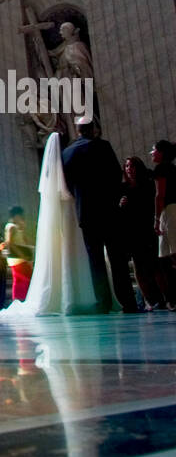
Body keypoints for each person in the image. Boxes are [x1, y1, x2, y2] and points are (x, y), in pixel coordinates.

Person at [3, 131, 96, 316]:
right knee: (73, 249)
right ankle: (80, 294)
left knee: (56, 251)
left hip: (54, 216)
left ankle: (59, 294)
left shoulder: (48, 173)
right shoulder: (70, 159)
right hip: (70, 211)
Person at [62, 114, 138, 313]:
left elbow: (68, 184)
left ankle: (103, 302)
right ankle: (127, 302)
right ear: (93, 129)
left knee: (95, 261)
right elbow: (115, 174)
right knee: (117, 259)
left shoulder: (67, 153)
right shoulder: (102, 146)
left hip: (85, 213)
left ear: (78, 130)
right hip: (108, 211)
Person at [119, 157, 163, 310]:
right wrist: (121, 204)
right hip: (133, 232)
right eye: (127, 166)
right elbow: (119, 212)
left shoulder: (148, 185)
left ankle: (162, 296)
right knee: (139, 266)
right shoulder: (123, 188)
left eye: (132, 166)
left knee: (155, 263)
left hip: (147, 228)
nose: (129, 169)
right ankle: (149, 300)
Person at [150, 139, 176, 310]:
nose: (151, 153)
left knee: (173, 254)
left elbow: (160, 195)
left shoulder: (161, 169)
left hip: (170, 211)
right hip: (172, 210)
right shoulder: (172, 168)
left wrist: (157, 219)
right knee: (168, 255)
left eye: (154, 150)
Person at [3, 207, 35, 303]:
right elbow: (9, 242)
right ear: (17, 216)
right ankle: (20, 299)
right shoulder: (11, 227)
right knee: (24, 279)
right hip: (17, 257)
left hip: (18, 257)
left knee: (20, 279)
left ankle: (19, 299)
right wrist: (22, 255)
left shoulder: (15, 226)